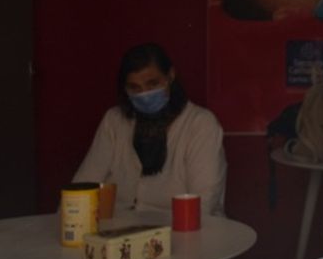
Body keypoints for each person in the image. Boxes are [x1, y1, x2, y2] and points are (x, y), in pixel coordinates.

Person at [74, 43, 227, 216]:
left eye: (152, 84)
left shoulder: (200, 124)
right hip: (120, 227)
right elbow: (83, 186)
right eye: (135, 88)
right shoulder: (115, 121)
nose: (144, 95)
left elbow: (203, 204)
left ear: (170, 76)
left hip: (185, 226)